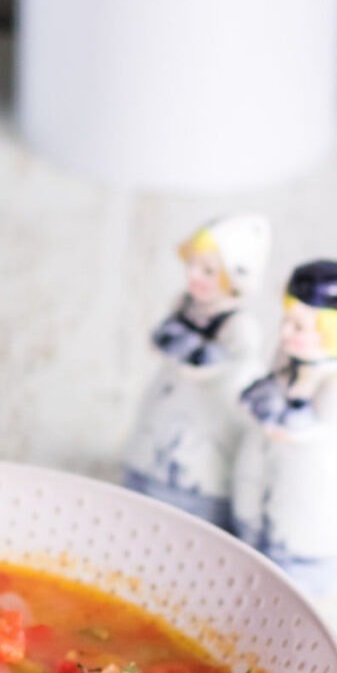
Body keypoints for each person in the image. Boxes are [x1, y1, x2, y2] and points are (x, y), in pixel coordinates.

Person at [231, 260, 337, 595]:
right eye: (287, 322)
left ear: (331, 332)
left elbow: (311, 431)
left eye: (298, 327)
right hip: (270, 462)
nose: (285, 334)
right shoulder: (282, 364)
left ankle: (297, 573)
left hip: (311, 473)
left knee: (299, 515)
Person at [122, 214, 271, 525]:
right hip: (172, 394)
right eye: (192, 265)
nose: (194, 275)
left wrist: (199, 360)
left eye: (207, 270)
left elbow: (230, 367)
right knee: (158, 443)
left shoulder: (239, 327)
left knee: (203, 459)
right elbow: (160, 341)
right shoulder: (184, 303)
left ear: (235, 276)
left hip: (214, 407)